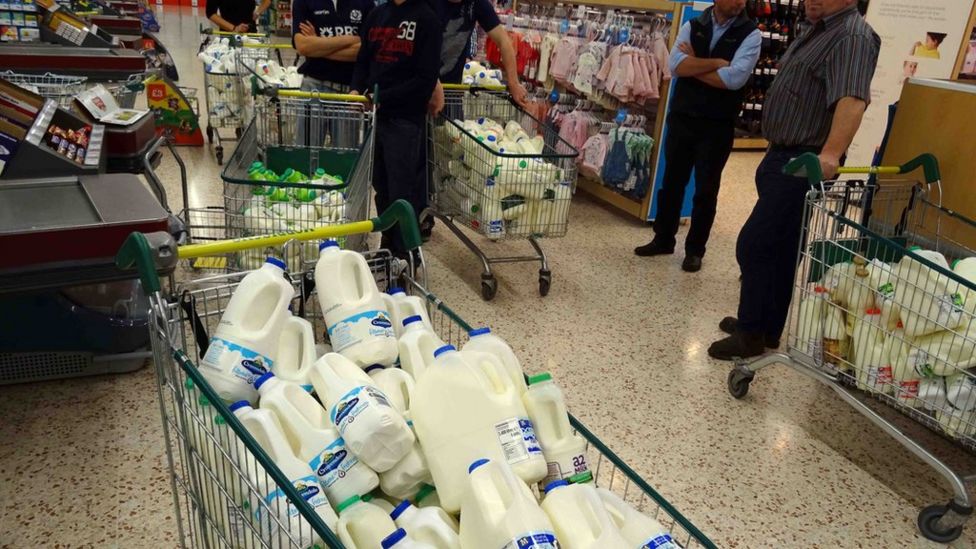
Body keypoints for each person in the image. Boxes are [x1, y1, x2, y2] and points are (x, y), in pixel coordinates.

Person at [708, 0, 880, 359]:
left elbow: (852, 100)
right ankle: (766, 327)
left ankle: (750, 333)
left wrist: (831, 154)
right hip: (783, 153)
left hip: (805, 158)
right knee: (782, 248)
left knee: (755, 243)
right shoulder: (819, 29)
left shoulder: (851, 35)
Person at [633, 0, 760, 273]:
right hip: (683, 118)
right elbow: (676, 66)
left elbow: (734, 79)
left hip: (717, 125)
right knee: (672, 182)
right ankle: (663, 238)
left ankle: (694, 251)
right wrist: (715, 63)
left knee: (706, 189)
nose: (740, 2)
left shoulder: (751, 33)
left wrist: (695, 65)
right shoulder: (694, 24)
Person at [351, 0, 442, 257]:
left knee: (403, 192)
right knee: (381, 186)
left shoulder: (427, 20)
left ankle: (405, 256)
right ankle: (388, 247)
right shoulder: (377, 15)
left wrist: (382, 97)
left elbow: (425, 81)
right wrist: (356, 89)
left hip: (405, 120)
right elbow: (363, 60)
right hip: (376, 118)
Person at [292, 0, 375, 147]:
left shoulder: (366, 4)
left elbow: (365, 51)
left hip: (349, 94)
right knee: (306, 156)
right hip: (313, 89)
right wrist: (351, 39)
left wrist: (318, 44)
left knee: (344, 160)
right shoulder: (303, 2)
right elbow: (303, 47)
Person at [427, 0, 530, 116]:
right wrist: (431, 81)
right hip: (419, 88)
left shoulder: (475, 3)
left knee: (454, 132)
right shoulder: (426, 4)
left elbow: (503, 41)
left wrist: (514, 83)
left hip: (451, 92)